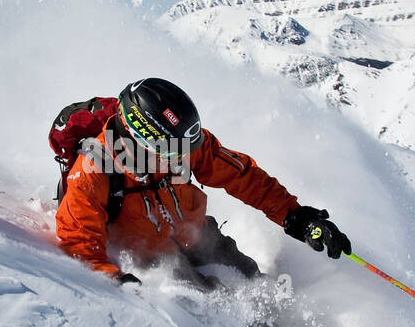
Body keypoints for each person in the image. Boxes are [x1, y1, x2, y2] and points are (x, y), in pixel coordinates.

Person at [55, 77, 350, 288]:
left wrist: (295, 216)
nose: (180, 157)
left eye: (185, 147)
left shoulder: (183, 145)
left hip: (198, 236)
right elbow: (79, 241)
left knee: (254, 282)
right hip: (154, 257)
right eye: (171, 150)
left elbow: (242, 176)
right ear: (140, 139)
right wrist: (115, 279)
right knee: (213, 298)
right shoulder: (94, 169)